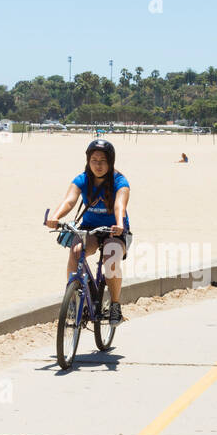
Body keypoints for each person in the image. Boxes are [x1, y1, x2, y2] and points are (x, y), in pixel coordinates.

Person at [45, 138, 132, 327]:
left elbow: (120, 205)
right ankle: (74, 300)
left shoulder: (120, 181)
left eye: (102, 161)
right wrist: (55, 216)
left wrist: (119, 224)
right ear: (88, 161)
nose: (98, 165)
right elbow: (69, 200)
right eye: (94, 160)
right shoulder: (82, 179)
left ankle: (115, 304)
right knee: (76, 252)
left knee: (111, 256)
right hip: (90, 228)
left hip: (114, 230)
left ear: (110, 162)